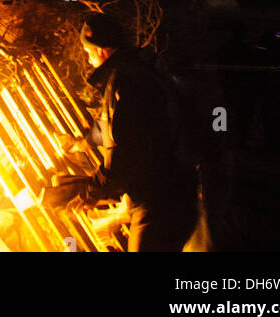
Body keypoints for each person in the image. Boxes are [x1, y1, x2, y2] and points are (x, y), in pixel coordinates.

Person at [49, 13, 199, 252]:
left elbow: (123, 153)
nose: (88, 60)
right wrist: (83, 143)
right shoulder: (141, 70)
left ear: (100, 50)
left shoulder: (125, 83)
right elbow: (115, 126)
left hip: (159, 200)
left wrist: (90, 193)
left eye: (88, 53)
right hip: (177, 191)